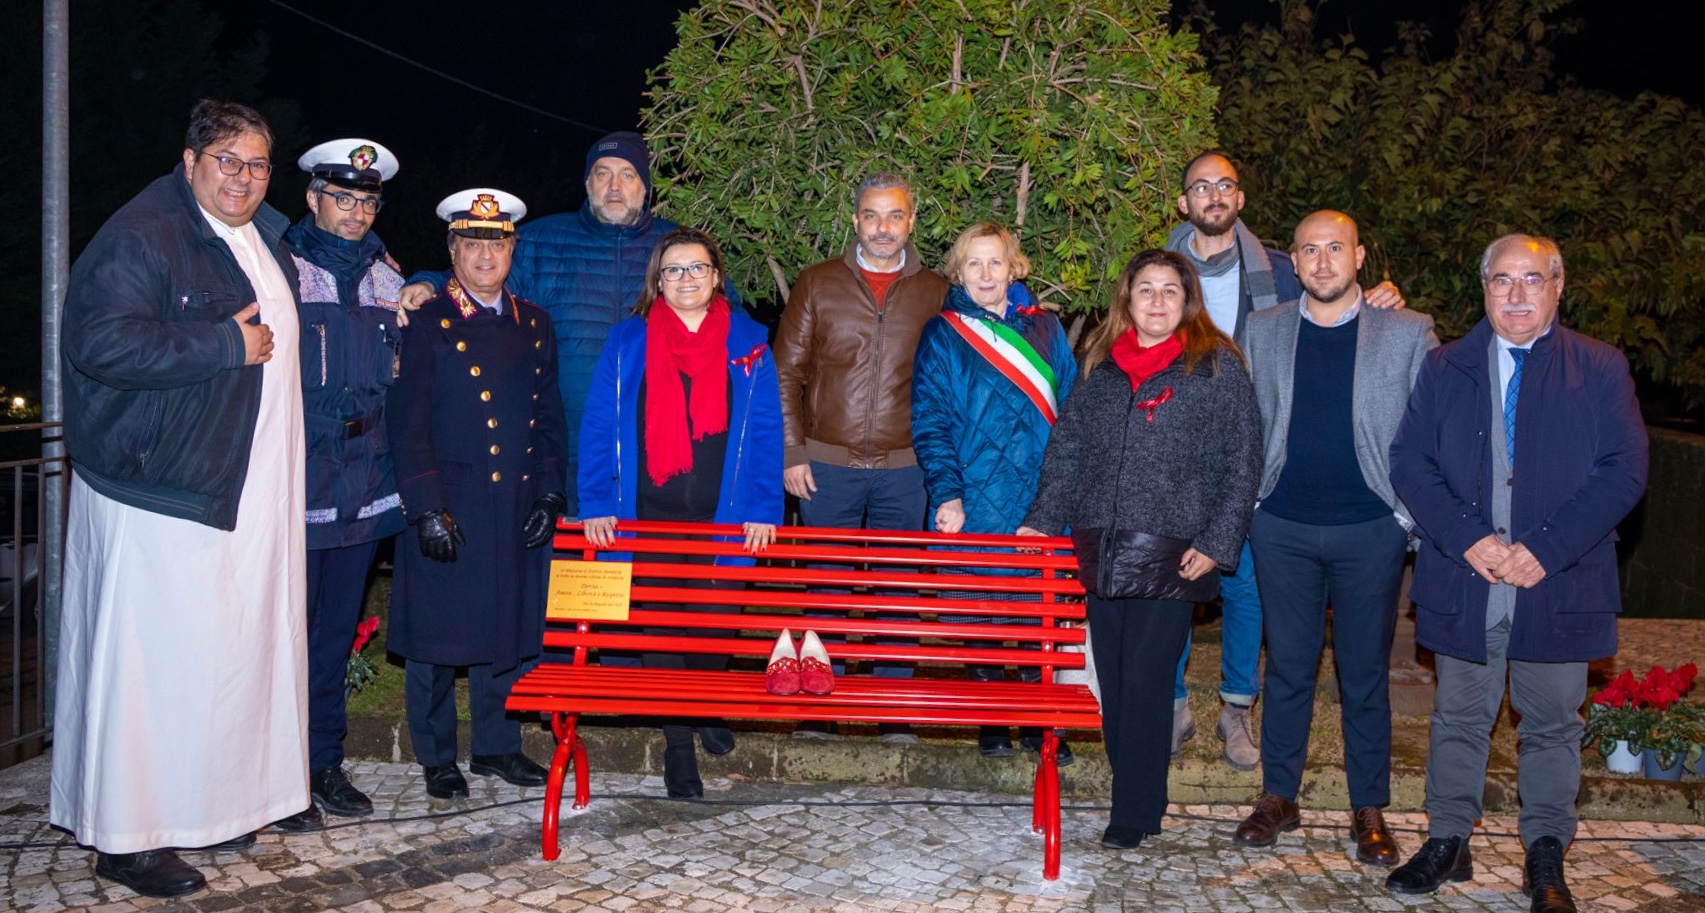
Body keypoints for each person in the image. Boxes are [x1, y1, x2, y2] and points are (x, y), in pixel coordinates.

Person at [53, 99, 313, 899]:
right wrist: (224, 343)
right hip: (159, 494)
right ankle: (128, 837)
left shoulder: (259, 233)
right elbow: (98, 341)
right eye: (227, 160)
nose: (244, 177)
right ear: (191, 160)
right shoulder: (144, 233)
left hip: (240, 490)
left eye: (257, 163)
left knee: (223, 661)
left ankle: (211, 806)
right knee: (151, 669)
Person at [1386, 235, 1647, 913]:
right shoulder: (1446, 366)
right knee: (1457, 716)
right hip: (1467, 575)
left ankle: (1545, 853)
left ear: (1558, 286)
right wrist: (1466, 537)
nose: (1517, 294)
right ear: (1484, 289)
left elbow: (1624, 469)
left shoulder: (1598, 366)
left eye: (1532, 279)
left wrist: (1547, 548)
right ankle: (1448, 839)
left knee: (1553, 722)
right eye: (1502, 280)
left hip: (1556, 580)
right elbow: (1410, 460)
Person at [1164, 149, 1405, 769]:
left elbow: (1336, 304)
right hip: (1177, 447)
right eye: (1201, 187)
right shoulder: (1160, 270)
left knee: (1246, 583)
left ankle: (1237, 708)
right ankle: (1173, 704)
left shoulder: (1281, 267)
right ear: (1184, 202)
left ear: (1240, 197)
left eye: (1225, 185)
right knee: (1173, 579)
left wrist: (1381, 300)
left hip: (1252, 448)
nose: (1214, 195)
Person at [1019, 249, 1261, 851]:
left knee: (1148, 683)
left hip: (1172, 553)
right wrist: (1042, 520)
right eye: (1145, 289)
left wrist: (1217, 542)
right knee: (1116, 684)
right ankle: (1139, 797)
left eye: (1169, 290)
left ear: (1187, 301)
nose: (1157, 300)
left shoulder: (1216, 367)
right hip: (1102, 548)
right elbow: (1068, 449)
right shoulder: (1099, 366)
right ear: (1127, 299)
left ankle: (1132, 809)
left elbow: (1243, 460)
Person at [1231, 211, 1438, 865]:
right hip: (1281, 526)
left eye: (1335, 248)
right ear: (1293, 262)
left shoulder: (1407, 332)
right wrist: (1251, 507)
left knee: (1363, 672)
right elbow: (1243, 422)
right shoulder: (1263, 330)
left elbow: (1432, 430)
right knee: (1287, 666)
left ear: (1359, 256)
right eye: (1310, 250)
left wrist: (1404, 517)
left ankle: (1368, 807)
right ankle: (1278, 796)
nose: (1323, 261)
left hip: (1370, 530)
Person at [399, 131, 733, 520]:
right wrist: (428, 283)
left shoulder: (675, 249)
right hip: (566, 447)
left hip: (658, 449)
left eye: (627, 175)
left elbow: (728, 318)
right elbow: (481, 274)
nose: (614, 186)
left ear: (645, 188)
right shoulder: (543, 240)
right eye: (603, 174)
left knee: (645, 554)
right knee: (569, 554)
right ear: (588, 183)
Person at [577, 227, 784, 798]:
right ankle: (678, 745)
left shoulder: (749, 342)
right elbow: (598, 423)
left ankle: (705, 702)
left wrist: (765, 505)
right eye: (673, 270)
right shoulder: (628, 341)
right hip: (646, 518)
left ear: (716, 277)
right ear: (658, 281)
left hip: (725, 518)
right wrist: (596, 500)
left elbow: (766, 429)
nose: (686, 278)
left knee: (712, 627)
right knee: (663, 631)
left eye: (697, 268)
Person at [386, 188, 570, 801]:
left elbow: (549, 417)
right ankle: (437, 755)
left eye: (496, 244)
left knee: (504, 629)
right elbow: (407, 422)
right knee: (435, 637)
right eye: (471, 244)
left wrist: (549, 493)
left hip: (513, 502)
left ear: (512, 249)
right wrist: (425, 507)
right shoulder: (428, 321)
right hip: (450, 502)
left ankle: (496, 746)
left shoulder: (534, 323)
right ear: (453, 250)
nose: (485, 255)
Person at [773, 171, 950, 743]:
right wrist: (792, 451)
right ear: (855, 220)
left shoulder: (937, 291)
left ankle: (893, 709)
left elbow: (952, 380)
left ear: (911, 222)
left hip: (907, 468)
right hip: (826, 465)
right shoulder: (817, 282)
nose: (882, 227)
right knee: (826, 588)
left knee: (899, 592)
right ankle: (821, 709)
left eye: (894, 215)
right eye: (871, 215)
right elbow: (786, 373)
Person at [910, 221, 1078, 763]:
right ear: (959, 273)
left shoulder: (1047, 329)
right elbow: (930, 421)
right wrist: (947, 494)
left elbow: (1072, 417)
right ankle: (992, 718)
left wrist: (1062, 496)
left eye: (995, 262)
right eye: (973, 264)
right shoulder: (943, 333)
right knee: (980, 613)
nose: (985, 274)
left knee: (1037, 614)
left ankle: (1038, 721)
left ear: (1013, 269)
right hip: (973, 495)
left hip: (1039, 496)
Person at [283, 138, 407, 819]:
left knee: (335, 634)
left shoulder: (389, 278)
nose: (356, 212)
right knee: (284, 637)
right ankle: (277, 777)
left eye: (367, 201)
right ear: (313, 198)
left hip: (365, 480)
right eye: (343, 198)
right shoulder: (280, 268)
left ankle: (323, 763)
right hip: (298, 478)